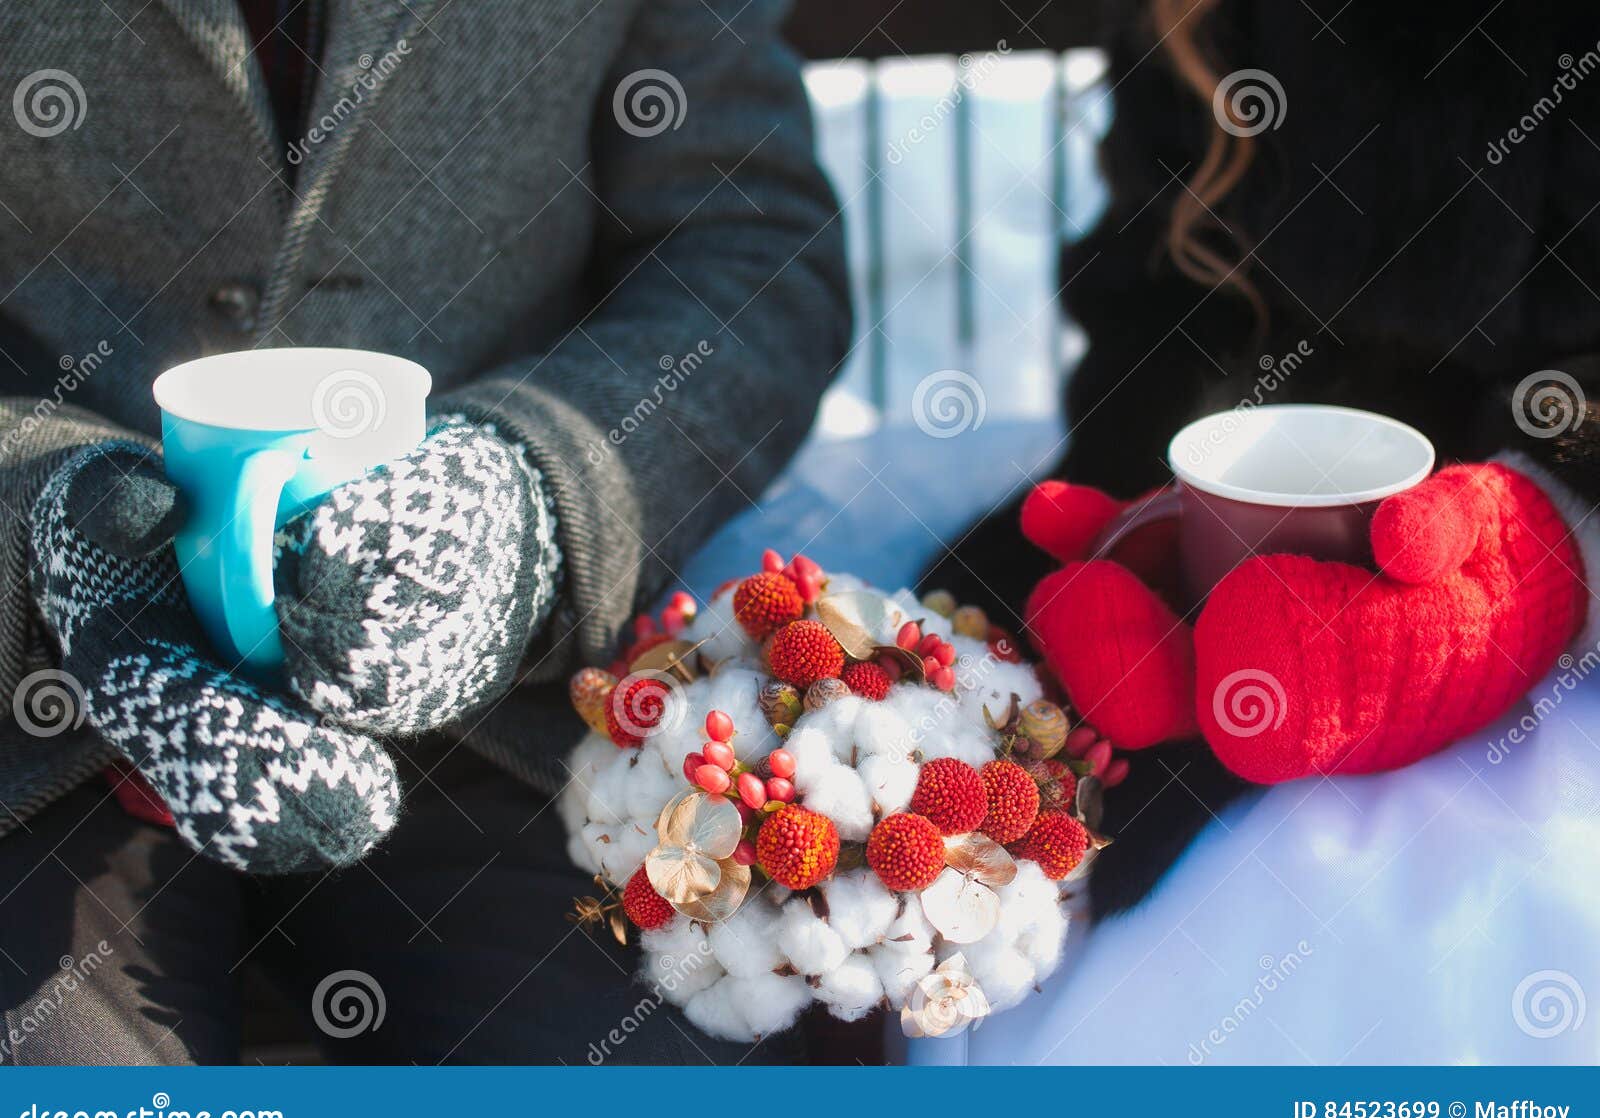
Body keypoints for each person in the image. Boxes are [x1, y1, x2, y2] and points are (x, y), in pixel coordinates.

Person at [0, 0, 848, 1063]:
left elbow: (746, 250)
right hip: (38, 728)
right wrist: (46, 530)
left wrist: (540, 496)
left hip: (499, 725)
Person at [923, 0, 1600, 913]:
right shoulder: (1206, 25)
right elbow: (1162, 302)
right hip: (1255, 543)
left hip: (1543, 613)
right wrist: (1152, 512)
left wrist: (1541, 543)